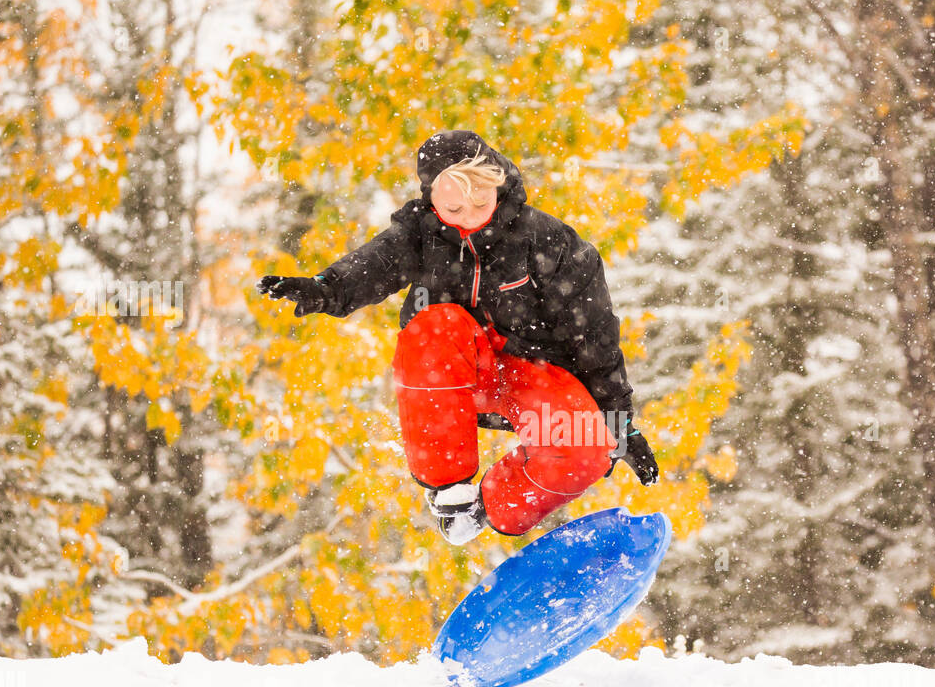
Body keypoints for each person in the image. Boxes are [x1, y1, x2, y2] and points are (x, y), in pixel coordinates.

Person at [257, 129, 657, 545]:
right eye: (453, 206)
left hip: (532, 376)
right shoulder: (420, 234)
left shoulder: (549, 242)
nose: (470, 215)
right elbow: (371, 267)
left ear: (498, 181)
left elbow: (592, 333)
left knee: (587, 446)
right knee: (436, 324)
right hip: (451, 375)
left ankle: (489, 508)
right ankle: (451, 492)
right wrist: (324, 289)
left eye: (481, 200)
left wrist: (619, 422)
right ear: (431, 200)